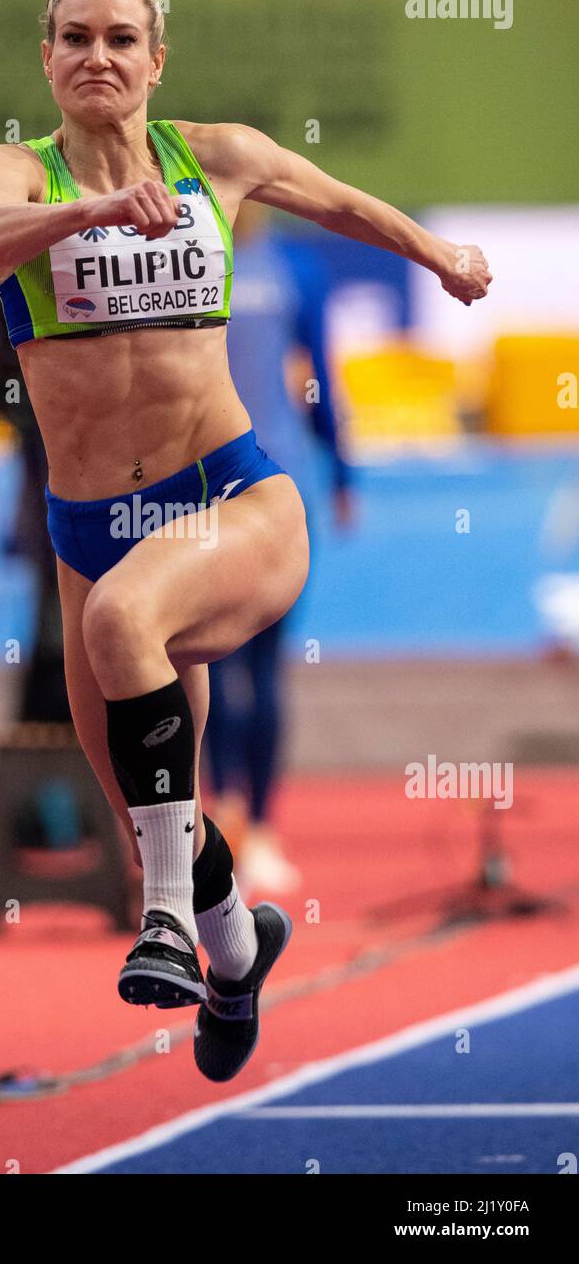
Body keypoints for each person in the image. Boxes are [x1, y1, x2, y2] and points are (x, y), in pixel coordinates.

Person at [0, 0, 492, 1083]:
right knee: (159, 805)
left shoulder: (218, 160)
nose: (96, 56)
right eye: (75, 38)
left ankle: (160, 921)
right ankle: (235, 949)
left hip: (232, 497)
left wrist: (440, 253)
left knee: (116, 633)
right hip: (89, 527)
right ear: (47, 58)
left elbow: (338, 200)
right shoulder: (19, 172)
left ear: (157, 60)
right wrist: (97, 209)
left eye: (119, 39)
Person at [203, 200, 353, 894]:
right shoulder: (185, 262)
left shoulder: (295, 269)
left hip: (275, 491)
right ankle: (220, 819)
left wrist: (343, 471)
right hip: (199, 488)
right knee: (203, 668)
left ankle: (256, 826)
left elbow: (320, 373)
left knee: (259, 671)